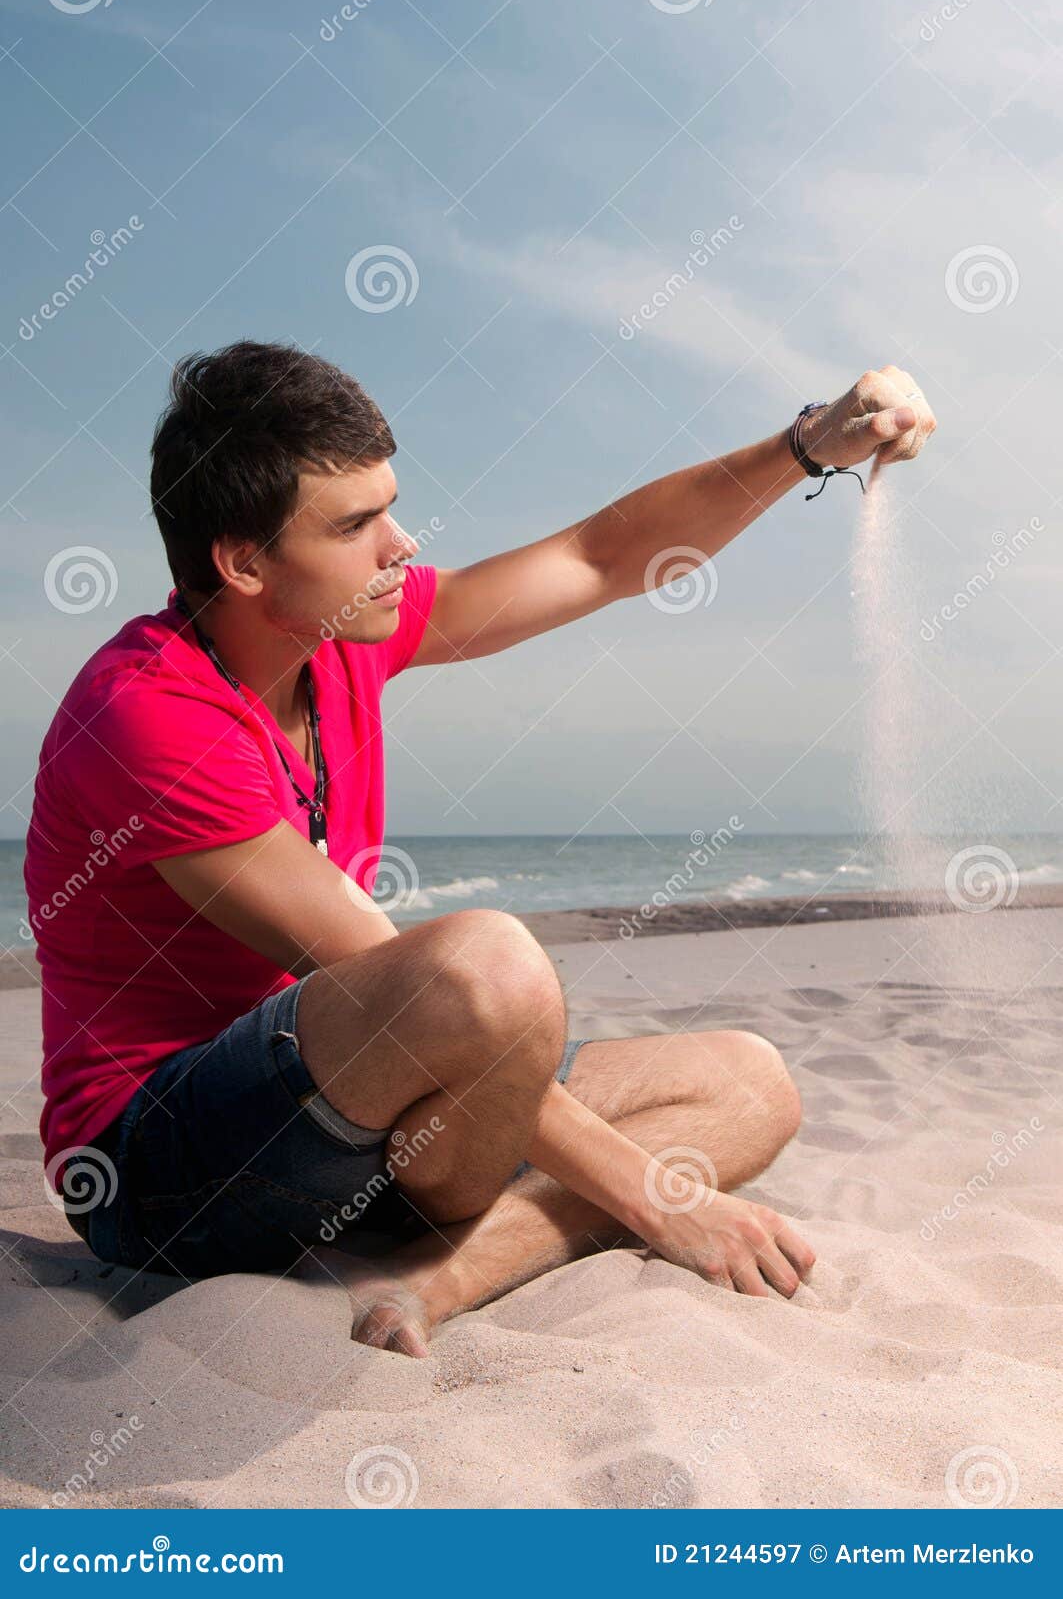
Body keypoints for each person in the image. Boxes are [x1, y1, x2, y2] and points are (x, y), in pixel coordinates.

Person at [24, 343, 935, 1355]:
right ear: (241, 561)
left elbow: (601, 555)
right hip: (167, 1167)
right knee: (488, 968)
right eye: (355, 524)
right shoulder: (147, 716)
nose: (401, 545)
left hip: (365, 1118)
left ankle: (445, 1278)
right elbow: (417, 988)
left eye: (389, 506)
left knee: (751, 1084)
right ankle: (540, 1216)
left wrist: (804, 446)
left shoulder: (343, 633)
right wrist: (660, 1199)